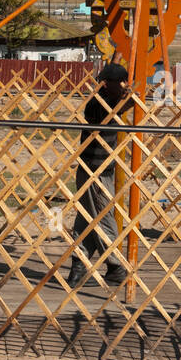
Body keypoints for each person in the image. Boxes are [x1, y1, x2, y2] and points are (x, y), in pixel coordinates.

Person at [67, 63, 131, 288]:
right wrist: (130, 98)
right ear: (109, 84)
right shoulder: (98, 102)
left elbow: (118, 106)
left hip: (99, 169)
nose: (123, 86)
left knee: (87, 218)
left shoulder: (109, 99)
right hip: (94, 170)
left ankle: (78, 265)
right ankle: (115, 265)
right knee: (104, 216)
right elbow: (112, 109)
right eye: (120, 82)